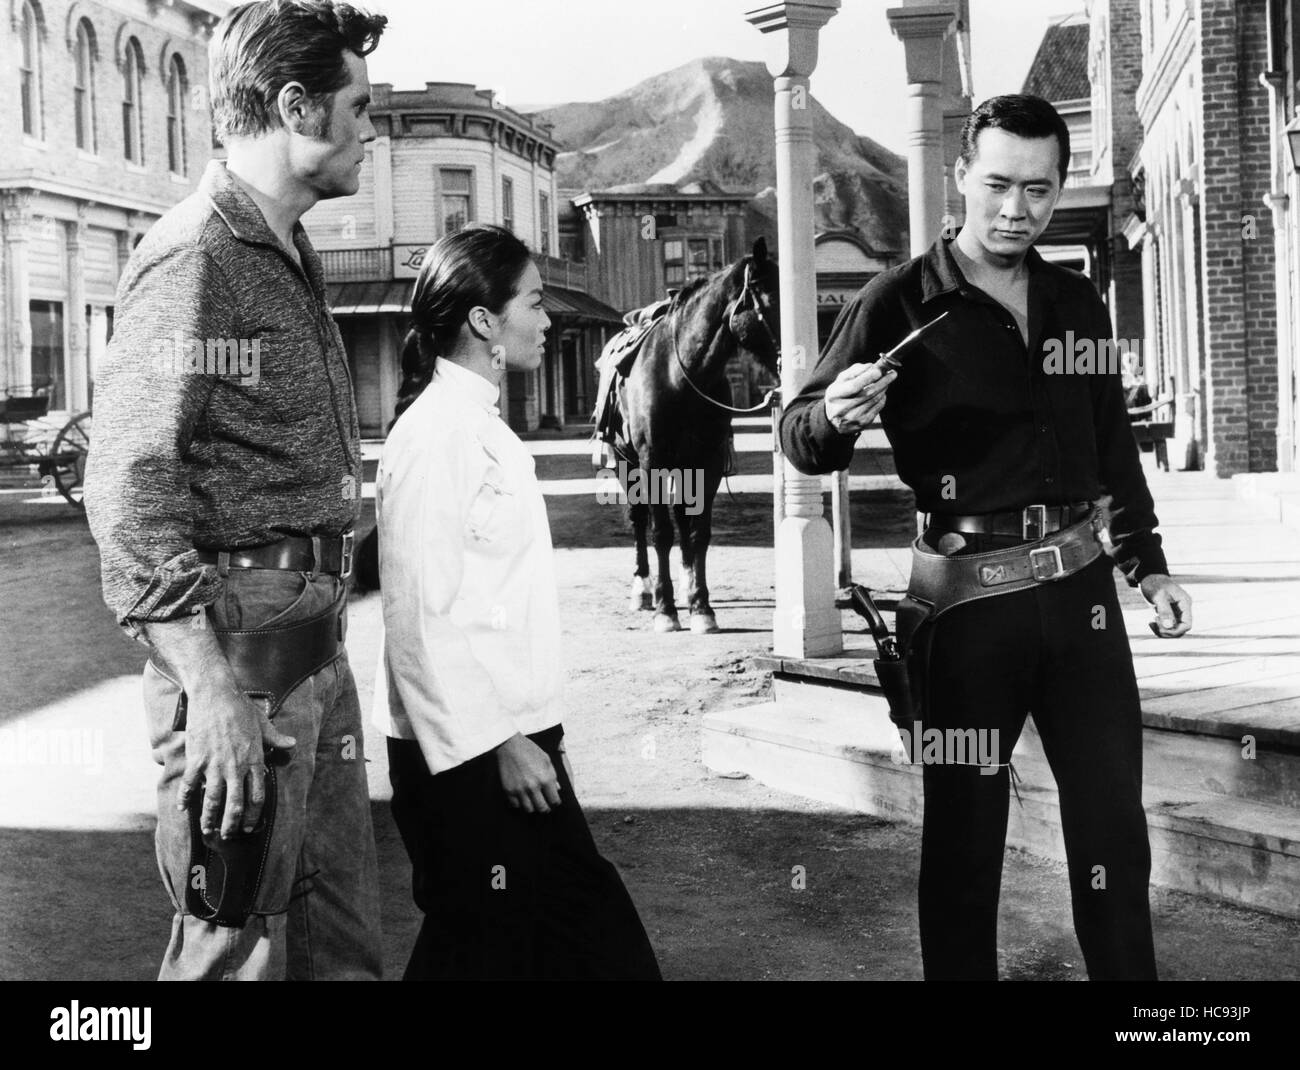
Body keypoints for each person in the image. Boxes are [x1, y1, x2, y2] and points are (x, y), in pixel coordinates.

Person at [780, 94, 1193, 981]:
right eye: (999, 185)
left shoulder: (1076, 302)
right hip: (967, 613)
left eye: (1039, 191)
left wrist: (1148, 567)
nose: (1017, 210)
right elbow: (800, 428)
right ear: (961, 177)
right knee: (966, 840)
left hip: (1081, 603)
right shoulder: (899, 301)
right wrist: (837, 415)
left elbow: (1110, 449)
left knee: (1114, 833)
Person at [84, 0, 388, 980]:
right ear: (298, 107)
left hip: (315, 654)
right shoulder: (195, 256)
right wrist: (209, 686)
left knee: (341, 951)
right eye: (361, 106)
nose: (371, 131)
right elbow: (130, 490)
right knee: (232, 956)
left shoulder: (283, 244)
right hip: (241, 663)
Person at [374, 224, 662, 981]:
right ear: (482, 320)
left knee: (490, 948)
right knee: (579, 948)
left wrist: (535, 735)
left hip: (508, 742)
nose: (548, 318)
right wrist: (504, 743)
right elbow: (419, 622)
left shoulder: (477, 425)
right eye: (533, 302)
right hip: (472, 756)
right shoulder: (437, 437)